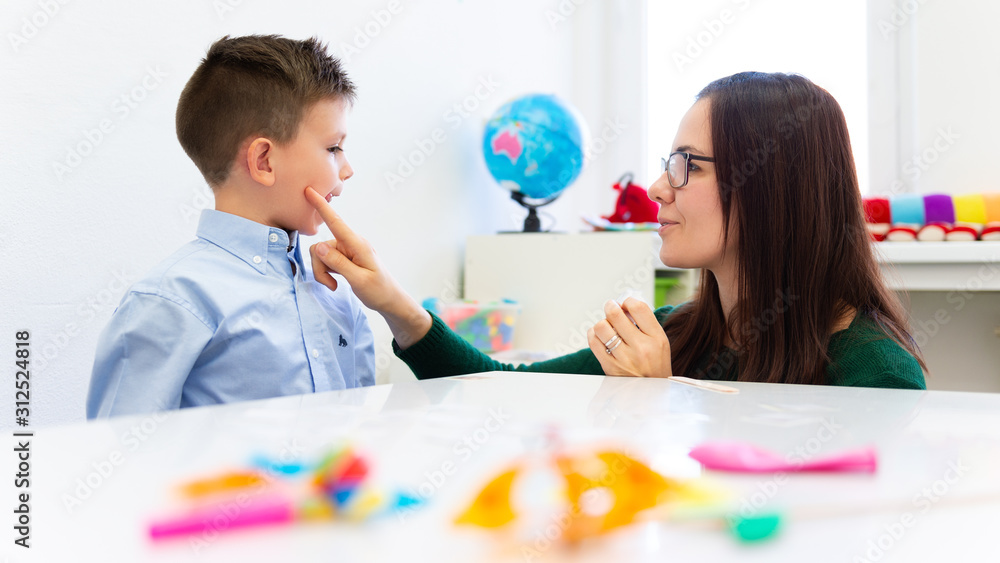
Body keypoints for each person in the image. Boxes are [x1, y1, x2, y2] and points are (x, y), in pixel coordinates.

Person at [304, 71, 926, 390]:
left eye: (688, 166)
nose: (659, 188)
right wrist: (394, 304)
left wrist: (664, 406)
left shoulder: (875, 369)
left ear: (771, 185)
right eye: (667, 164)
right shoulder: (678, 334)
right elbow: (503, 391)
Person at [87, 35, 375, 419]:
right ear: (264, 162)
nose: (347, 168)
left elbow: (364, 434)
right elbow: (120, 456)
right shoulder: (172, 300)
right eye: (333, 148)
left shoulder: (339, 292)